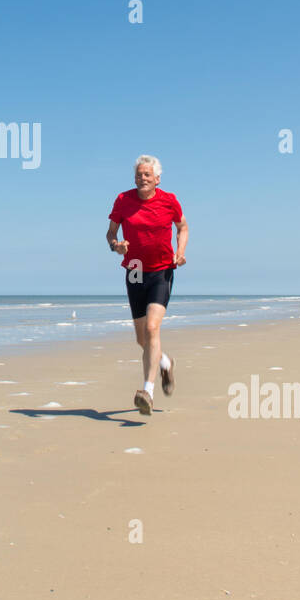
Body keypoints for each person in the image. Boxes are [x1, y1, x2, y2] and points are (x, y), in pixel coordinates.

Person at [106, 155, 188, 415]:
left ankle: (147, 392)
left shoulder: (169, 200)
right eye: (139, 174)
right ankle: (164, 362)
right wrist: (116, 246)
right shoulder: (123, 200)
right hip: (135, 271)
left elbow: (183, 227)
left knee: (153, 328)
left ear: (157, 179)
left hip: (162, 269)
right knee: (142, 338)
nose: (142, 178)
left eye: (147, 175)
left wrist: (180, 251)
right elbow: (111, 233)